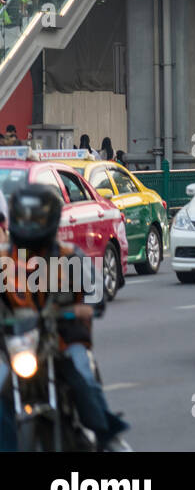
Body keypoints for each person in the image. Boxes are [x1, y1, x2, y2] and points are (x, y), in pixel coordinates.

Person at [0, 185, 131, 452]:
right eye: (24, 218)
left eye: (35, 218)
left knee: (83, 376)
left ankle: (108, 436)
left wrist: (88, 306)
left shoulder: (68, 254)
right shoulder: (3, 258)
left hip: (63, 337)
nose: (29, 225)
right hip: (14, 345)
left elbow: (95, 289)